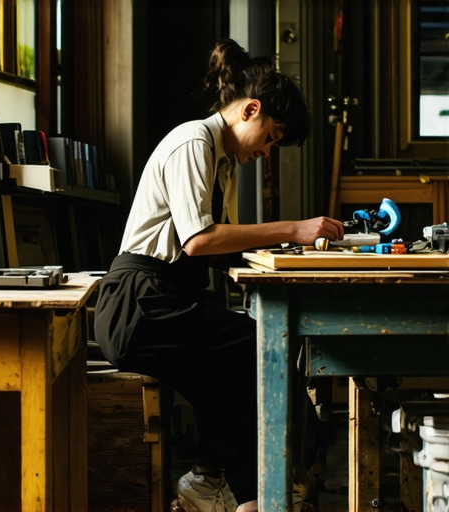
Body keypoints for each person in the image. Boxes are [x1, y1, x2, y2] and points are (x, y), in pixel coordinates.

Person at [94, 38, 344, 512]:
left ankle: (219, 485)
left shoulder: (220, 158)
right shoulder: (194, 141)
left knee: (231, 369)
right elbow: (199, 240)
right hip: (138, 303)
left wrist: (287, 250)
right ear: (251, 109)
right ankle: (249, 493)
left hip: (159, 297)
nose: (268, 152)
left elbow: (212, 244)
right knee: (258, 346)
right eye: (271, 137)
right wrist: (293, 227)